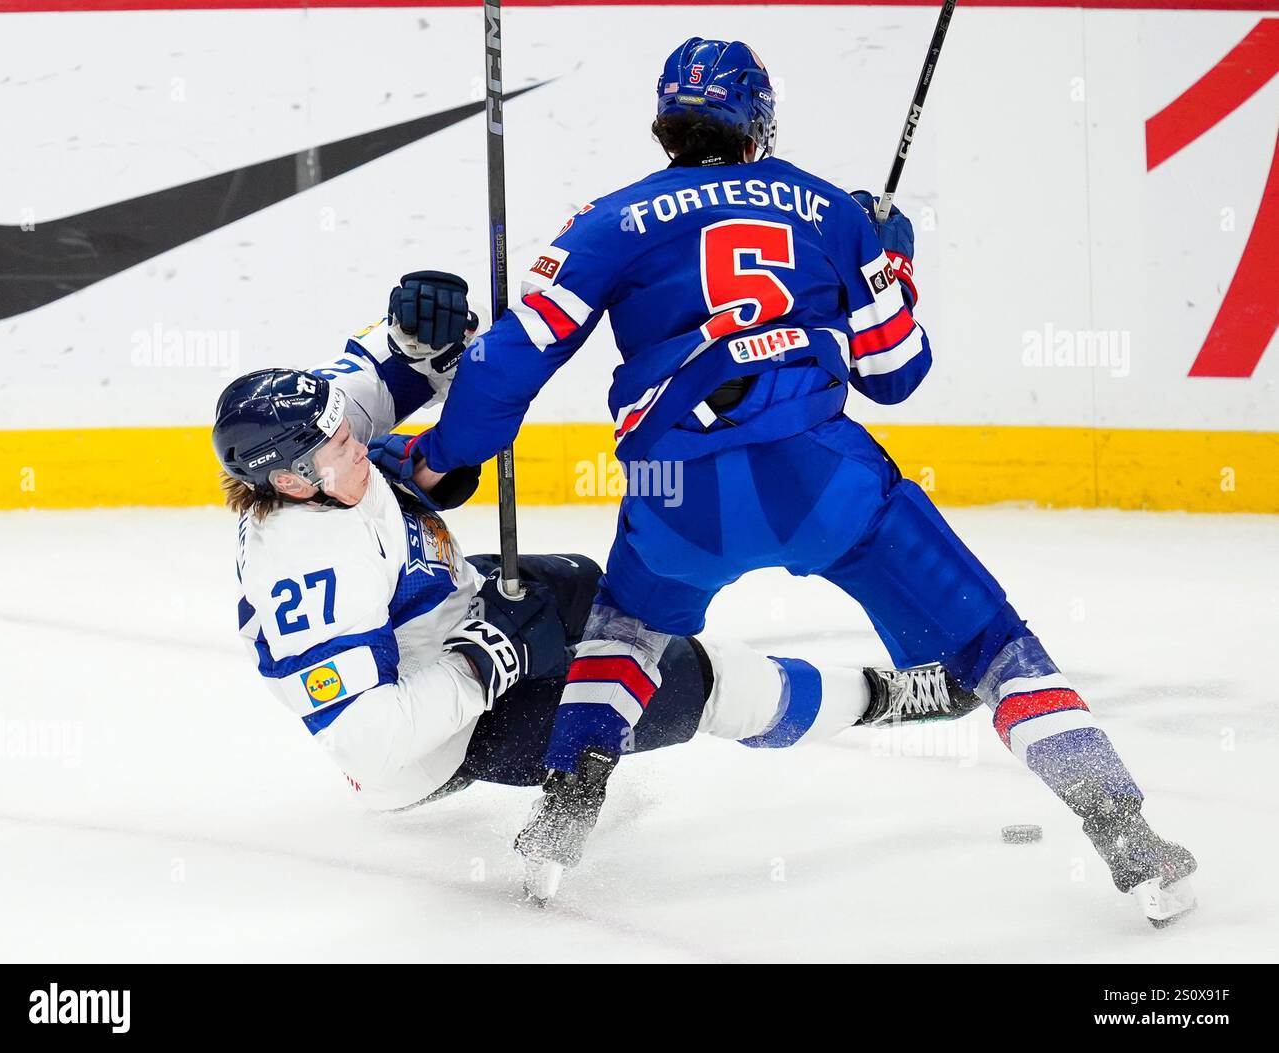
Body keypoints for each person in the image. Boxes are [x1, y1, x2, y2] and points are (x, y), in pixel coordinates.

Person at [405, 40, 1197, 923]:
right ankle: (1129, 836)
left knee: (624, 627)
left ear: (666, 125)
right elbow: (895, 373)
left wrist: (446, 454)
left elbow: (512, 356)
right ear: (761, 123)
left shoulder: (610, 219)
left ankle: (561, 818)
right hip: (821, 480)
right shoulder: (828, 210)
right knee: (994, 647)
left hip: (677, 492)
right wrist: (892, 262)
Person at [212, 270, 976, 893]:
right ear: (292, 481)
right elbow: (377, 745)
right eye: (339, 447)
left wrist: (414, 336)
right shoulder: (309, 567)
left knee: (600, 597)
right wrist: (485, 659)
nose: (356, 440)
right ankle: (881, 697)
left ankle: (578, 770)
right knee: (697, 679)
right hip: (440, 739)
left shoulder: (313, 441)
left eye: (349, 430)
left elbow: (379, 375)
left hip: (453, 610)